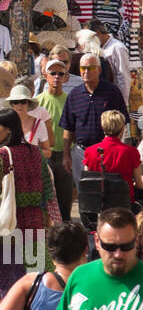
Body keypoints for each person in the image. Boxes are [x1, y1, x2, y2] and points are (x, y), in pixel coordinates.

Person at [0, 110, 61, 310]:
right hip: (34, 226)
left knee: (3, 283)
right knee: (36, 279)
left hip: (7, 230)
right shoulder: (35, 152)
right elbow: (47, 191)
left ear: (9, 130)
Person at [60, 54, 129, 189]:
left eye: (90, 68)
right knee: (86, 197)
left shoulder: (112, 92)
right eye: (83, 68)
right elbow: (68, 128)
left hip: (108, 153)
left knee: (109, 194)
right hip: (82, 153)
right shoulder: (74, 95)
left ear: (98, 70)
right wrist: (66, 155)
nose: (86, 72)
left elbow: (122, 123)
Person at [35, 59, 73, 223]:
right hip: (44, 156)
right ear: (45, 75)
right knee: (44, 202)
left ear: (66, 77)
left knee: (65, 201)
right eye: (53, 73)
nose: (56, 77)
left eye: (61, 73)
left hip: (65, 154)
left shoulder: (70, 100)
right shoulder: (37, 101)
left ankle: (64, 238)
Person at [83, 109, 143, 201]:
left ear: (103, 127)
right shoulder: (131, 152)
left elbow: (88, 180)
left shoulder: (89, 151)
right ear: (123, 128)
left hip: (98, 203)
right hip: (124, 201)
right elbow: (140, 184)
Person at [89, 19, 131, 103]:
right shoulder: (98, 48)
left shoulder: (118, 48)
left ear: (97, 33)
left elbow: (123, 77)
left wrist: (122, 102)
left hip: (114, 98)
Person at [5, 84, 53, 156]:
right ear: (12, 104)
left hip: (31, 166)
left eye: (23, 101)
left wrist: (30, 152)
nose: (19, 105)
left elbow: (48, 152)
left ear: (29, 103)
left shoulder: (39, 124)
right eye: (16, 102)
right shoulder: (5, 123)